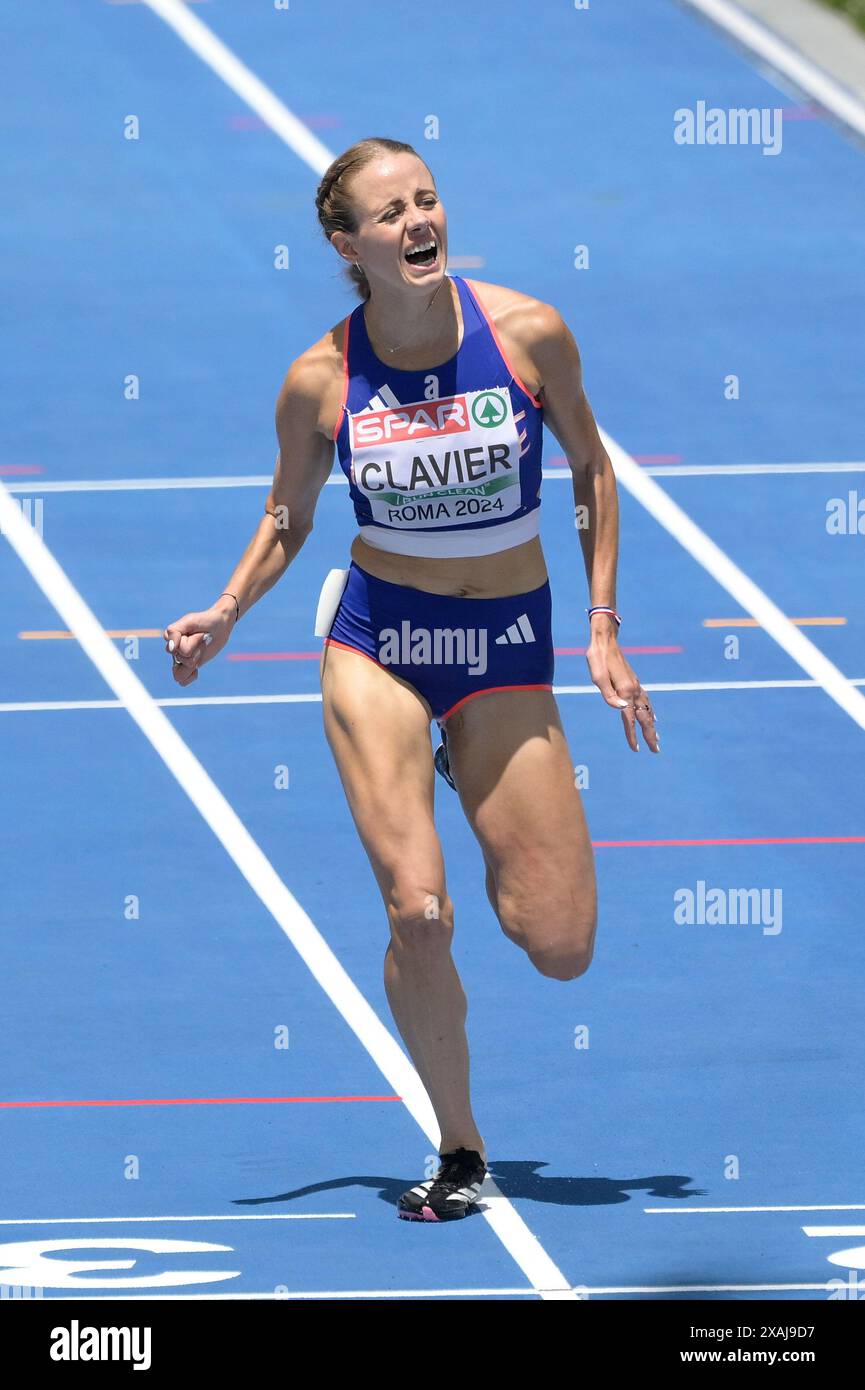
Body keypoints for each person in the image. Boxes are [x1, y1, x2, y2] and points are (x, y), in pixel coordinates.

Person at [163, 136, 660, 1224]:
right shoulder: (322, 380)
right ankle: (461, 1143)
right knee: (421, 909)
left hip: (505, 647)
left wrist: (604, 625)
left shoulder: (527, 335)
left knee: (558, 943)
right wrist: (225, 611)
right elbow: (287, 514)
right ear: (348, 244)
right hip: (380, 643)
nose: (417, 221)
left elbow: (591, 465)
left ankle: (476, 790)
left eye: (426, 201)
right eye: (390, 214)